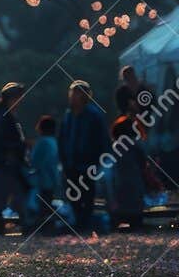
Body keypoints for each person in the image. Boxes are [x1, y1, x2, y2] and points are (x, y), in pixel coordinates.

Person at [60, 80, 112, 232]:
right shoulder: (68, 115)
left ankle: (84, 224)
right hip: (71, 164)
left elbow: (102, 140)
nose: (72, 96)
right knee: (73, 194)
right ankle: (80, 223)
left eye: (75, 93)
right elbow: (62, 139)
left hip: (88, 164)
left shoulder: (94, 115)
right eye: (71, 93)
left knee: (87, 195)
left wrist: (98, 161)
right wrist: (64, 160)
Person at [0, 82, 27, 221]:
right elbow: (3, 141)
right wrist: (20, 146)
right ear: (12, 98)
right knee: (12, 193)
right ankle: (24, 221)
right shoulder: (3, 117)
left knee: (8, 194)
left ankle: (5, 222)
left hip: (6, 161)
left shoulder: (3, 114)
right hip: (8, 161)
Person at [109, 115, 148, 230]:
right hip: (135, 191)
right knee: (137, 224)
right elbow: (143, 165)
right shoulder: (137, 146)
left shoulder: (113, 148)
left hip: (118, 191)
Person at [30, 115, 61, 218]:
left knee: (42, 206)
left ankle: (41, 223)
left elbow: (34, 162)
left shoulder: (42, 142)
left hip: (41, 180)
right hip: (52, 178)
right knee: (48, 203)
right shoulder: (53, 141)